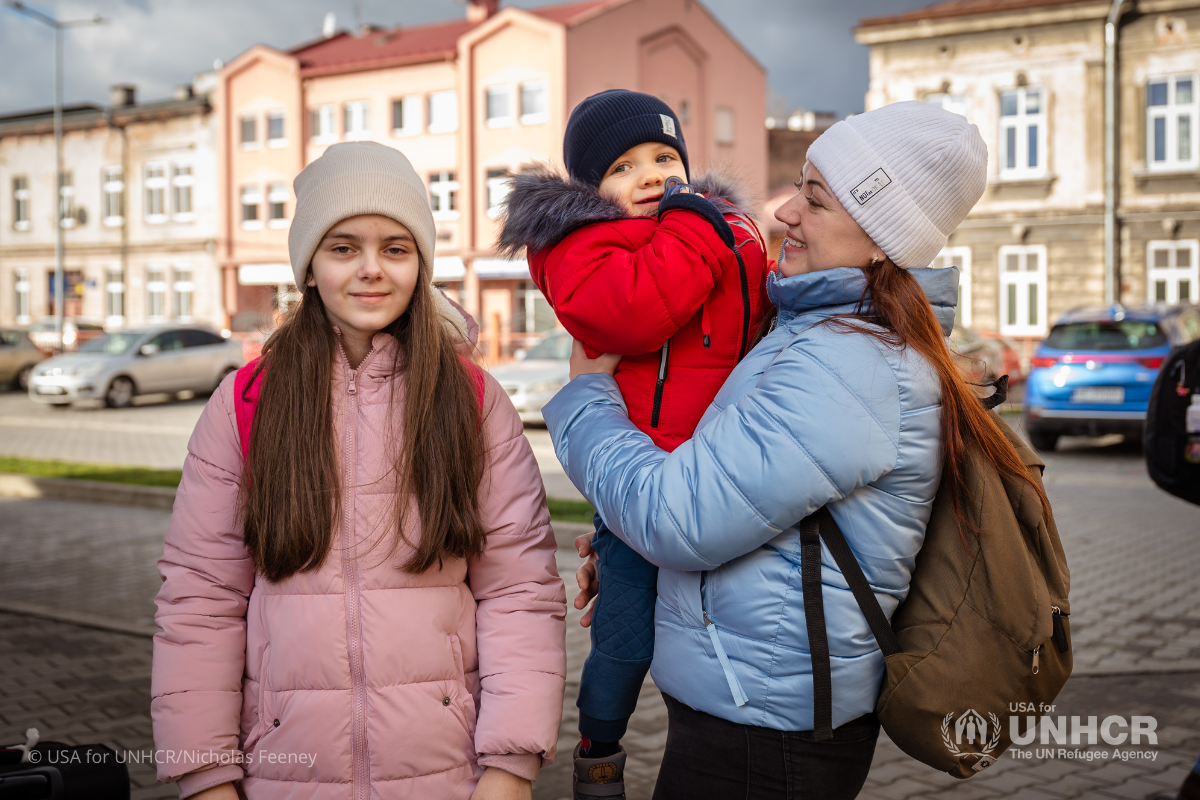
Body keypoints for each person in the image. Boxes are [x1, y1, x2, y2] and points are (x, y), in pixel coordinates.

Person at [544, 101, 1048, 799]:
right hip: (754, 704)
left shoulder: (851, 365)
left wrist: (586, 398)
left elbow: (679, 518)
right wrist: (634, 559)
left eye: (814, 200)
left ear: (880, 238)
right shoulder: (815, 334)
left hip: (765, 737)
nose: (785, 213)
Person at [151, 141, 566, 800]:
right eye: (343, 247)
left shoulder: (472, 400)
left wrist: (510, 767)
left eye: (396, 249)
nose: (371, 270)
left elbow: (520, 591)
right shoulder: (245, 405)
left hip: (448, 780)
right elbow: (199, 603)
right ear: (309, 267)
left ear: (421, 264)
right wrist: (204, 776)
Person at [498, 89, 769, 796]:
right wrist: (695, 229)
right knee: (624, 633)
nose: (651, 175)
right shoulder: (581, 245)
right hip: (639, 483)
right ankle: (601, 748)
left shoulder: (728, 231)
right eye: (623, 167)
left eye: (664, 157)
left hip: (726, 477)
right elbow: (629, 315)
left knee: (717, 635)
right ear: (590, 190)